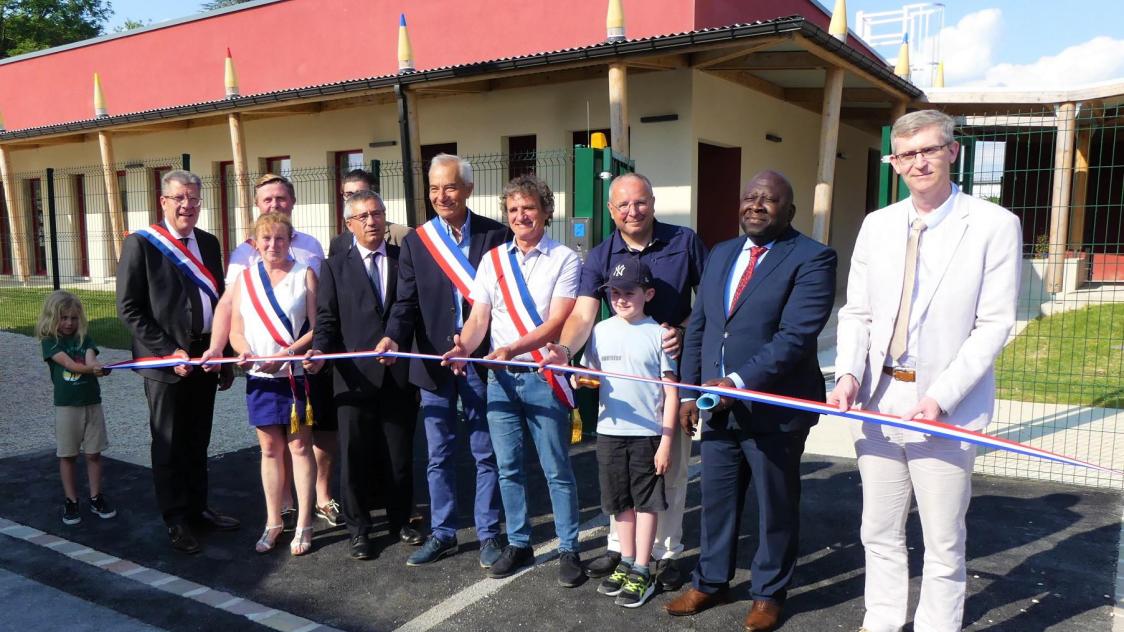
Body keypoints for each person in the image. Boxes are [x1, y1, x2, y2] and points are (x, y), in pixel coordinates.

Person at [827, 109, 1021, 632]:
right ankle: (882, 620)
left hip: (945, 410)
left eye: (929, 150)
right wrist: (847, 375)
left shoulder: (994, 225)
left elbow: (993, 325)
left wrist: (942, 397)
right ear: (894, 162)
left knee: (943, 539)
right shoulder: (877, 225)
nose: (918, 163)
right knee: (878, 530)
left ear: (952, 151)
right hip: (878, 400)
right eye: (906, 154)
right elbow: (857, 312)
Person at [666, 170, 837, 632]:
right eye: (750, 197)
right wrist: (691, 392)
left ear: (790, 211)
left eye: (769, 199)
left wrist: (735, 382)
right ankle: (711, 581)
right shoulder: (722, 253)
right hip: (716, 406)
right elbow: (701, 327)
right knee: (717, 500)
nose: (756, 205)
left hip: (775, 410)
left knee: (775, 507)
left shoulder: (813, 257)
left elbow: (795, 337)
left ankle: (768, 594)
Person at [542, 172, 706, 589]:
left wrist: (683, 329)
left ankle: (665, 554)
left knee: (670, 469)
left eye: (640, 202)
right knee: (621, 475)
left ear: (653, 202)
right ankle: (623, 550)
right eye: (623, 205)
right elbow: (583, 314)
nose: (633, 211)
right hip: (624, 385)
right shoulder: (600, 255)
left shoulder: (684, 241)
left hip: (672, 373)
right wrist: (565, 350)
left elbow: (708, 303)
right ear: (611, 210)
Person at [442, 175, 582, 586]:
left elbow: (557, 321)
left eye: (529, 208)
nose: (521, 216)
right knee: (507, 468)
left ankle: (569, 548)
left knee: (556, 467)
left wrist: (511, 349)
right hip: (500, 379)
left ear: (546, 211)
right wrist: (464, 348)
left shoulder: (564, 258)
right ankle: (519, 542)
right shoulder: (493, 260)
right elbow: (479, 318)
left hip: (543, 375)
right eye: (514, 209)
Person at [375, 153, 508, 568]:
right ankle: (444, 532)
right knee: (438, 454)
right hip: (433, 363)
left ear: (468, 189)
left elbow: (506, 302)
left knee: (486, 451)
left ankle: (489, 533)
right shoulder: (418, 241)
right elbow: (405, 302)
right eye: (434, 188)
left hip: (481, 360)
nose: (441, 196)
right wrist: (392, 336)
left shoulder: (496, 234)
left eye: (449, 187)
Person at [208, 173, 342, 531]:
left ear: (292, 202)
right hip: (262, 372)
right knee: (272, 447)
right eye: (267, 199)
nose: (275, 204)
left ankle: (320, 500)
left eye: (281, 198)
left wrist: (302, 350)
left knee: (310, 440)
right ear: (257, 207)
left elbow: (322, 312)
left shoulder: (311, 248)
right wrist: (225, 349)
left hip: (303, 368)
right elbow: (231, 310)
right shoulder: (243, 259)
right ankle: (280, 510)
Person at [116, 169, 239, 555]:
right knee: (169, 442)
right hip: (164, 360)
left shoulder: (209, 242)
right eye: (180, 198)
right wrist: (167, 350)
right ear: (164, 201)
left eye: (194, 198)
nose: (188, 205)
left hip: (204, 356)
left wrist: (225, 357)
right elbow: (129, 308)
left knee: (198, 438)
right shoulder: (141, 244)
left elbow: (221, 303)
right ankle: (176, 518)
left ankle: (198, 508)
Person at [303, 190, 421, 561]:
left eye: (377, 214)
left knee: (398, 454)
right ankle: (359, 530)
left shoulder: (403, 259)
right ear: (349, 225)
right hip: (353, 379)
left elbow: (409, 308)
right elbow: (326, 319)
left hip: (397, 377)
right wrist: (319, 351)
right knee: (353, 458)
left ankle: (401, 520)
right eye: (363, 216)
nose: (372, 221)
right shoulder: (334, 267)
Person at [579, 258, 677, 608]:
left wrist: (666, 442)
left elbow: (671, 393)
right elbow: (589, 374)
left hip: (647, 433)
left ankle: (643, 568)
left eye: (629, 292)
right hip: (609, 431)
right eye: (615, 293)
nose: (620, 299)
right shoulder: (600, 331)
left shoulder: (660, 335)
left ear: (648, 294)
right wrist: (581, 380)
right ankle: (626, 560)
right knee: (618, 501)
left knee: (646, 501)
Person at [227, 213, 319, 556]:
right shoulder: (245, 279)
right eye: (266, 239)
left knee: (299, 448)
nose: (273, 245)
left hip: (294, 377)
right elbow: (236, 330)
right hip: (261, 378)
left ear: (290, 240)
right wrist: (244, 352)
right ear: (255, 243)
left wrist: (287, 353)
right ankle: (273, 520)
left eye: (280, 238)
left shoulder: (304, 274)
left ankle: (305, 522)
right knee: (269, 450)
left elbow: (317, 326)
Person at [37, 290, 116, 526]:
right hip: (67, 407)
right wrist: (93, 369)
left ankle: (95, 497)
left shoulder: (85, 339)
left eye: (73, 318)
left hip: (92, 403)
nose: (69, 323)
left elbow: (91, 360)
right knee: (68, 455)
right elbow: (71, 365)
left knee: (94, 453)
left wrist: (98, 367)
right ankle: (71, 501)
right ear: (53, 318)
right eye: (63, 318)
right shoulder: (50, 342)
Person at [328, 168, 412, 257]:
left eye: (360, 194)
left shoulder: (403, 235)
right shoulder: (337, 243)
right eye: (349, 194)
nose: (354, 199)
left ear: (374, 194)